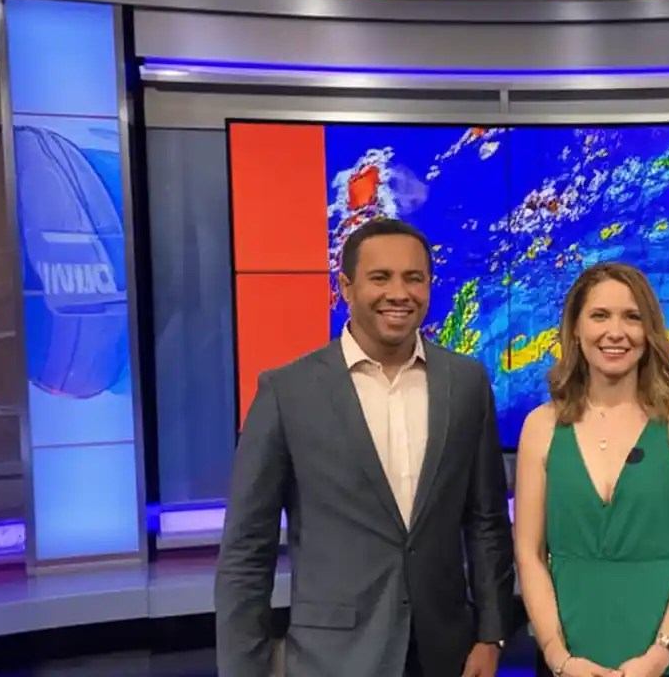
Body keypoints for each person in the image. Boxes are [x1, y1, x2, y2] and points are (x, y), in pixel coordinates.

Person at [215, 218, 515, 677]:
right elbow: (246, 550)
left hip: (446, 653)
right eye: (381, 278)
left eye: (414, 278)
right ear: (346, 287)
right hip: (332, 659)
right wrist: (244, 668)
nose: (399, 293)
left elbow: (486, 522)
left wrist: (491, 634)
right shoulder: (287, 392)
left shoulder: (466, 383)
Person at [514, 262, 669, 677]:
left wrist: (660, 655)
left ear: (650, 330)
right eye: (599, 316)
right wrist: (558, 658)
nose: (617, 332)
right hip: (569, 660)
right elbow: (529, 554)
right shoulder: (540, 426)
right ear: (575, 328)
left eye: (632, 317)